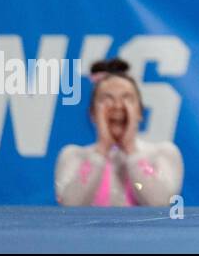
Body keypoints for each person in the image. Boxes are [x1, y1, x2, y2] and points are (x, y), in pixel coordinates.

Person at [54, 58, 183, 207]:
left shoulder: (163, 153)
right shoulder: (73, 155)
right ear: (93, 113)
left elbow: (160, 203)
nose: (117, 106)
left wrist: (131, 150)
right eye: (107, 99)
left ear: (140, 111)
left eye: (126, 99)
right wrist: (101, 150)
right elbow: (70, 205)